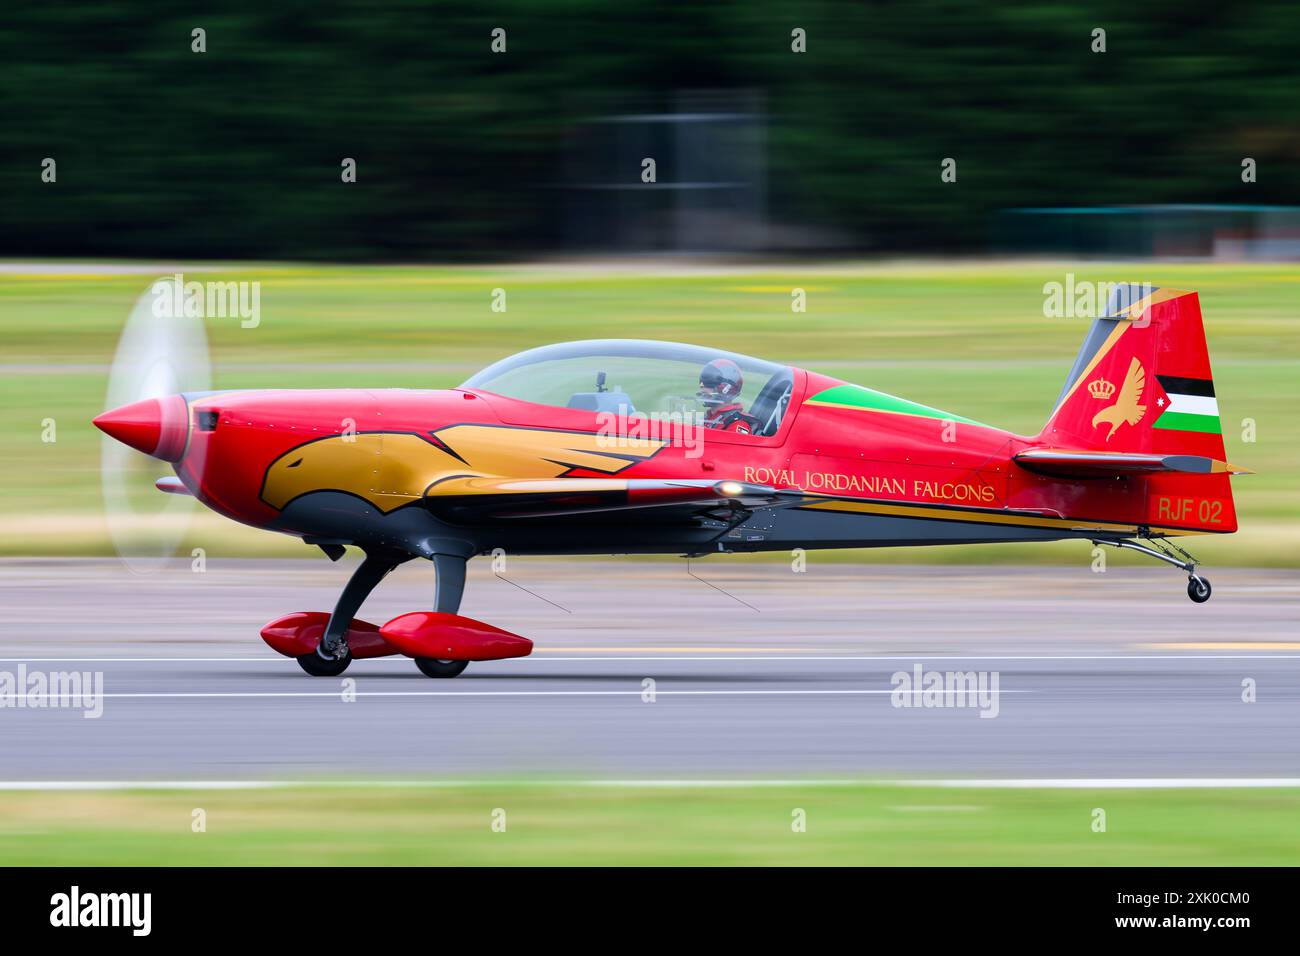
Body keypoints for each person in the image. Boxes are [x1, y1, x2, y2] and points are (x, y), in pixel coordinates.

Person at [698, 358, 759, 434]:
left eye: (708, 384)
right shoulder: (709, 417)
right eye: (701, 383)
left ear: (726, 388)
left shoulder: (737, 424)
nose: (702, 389)